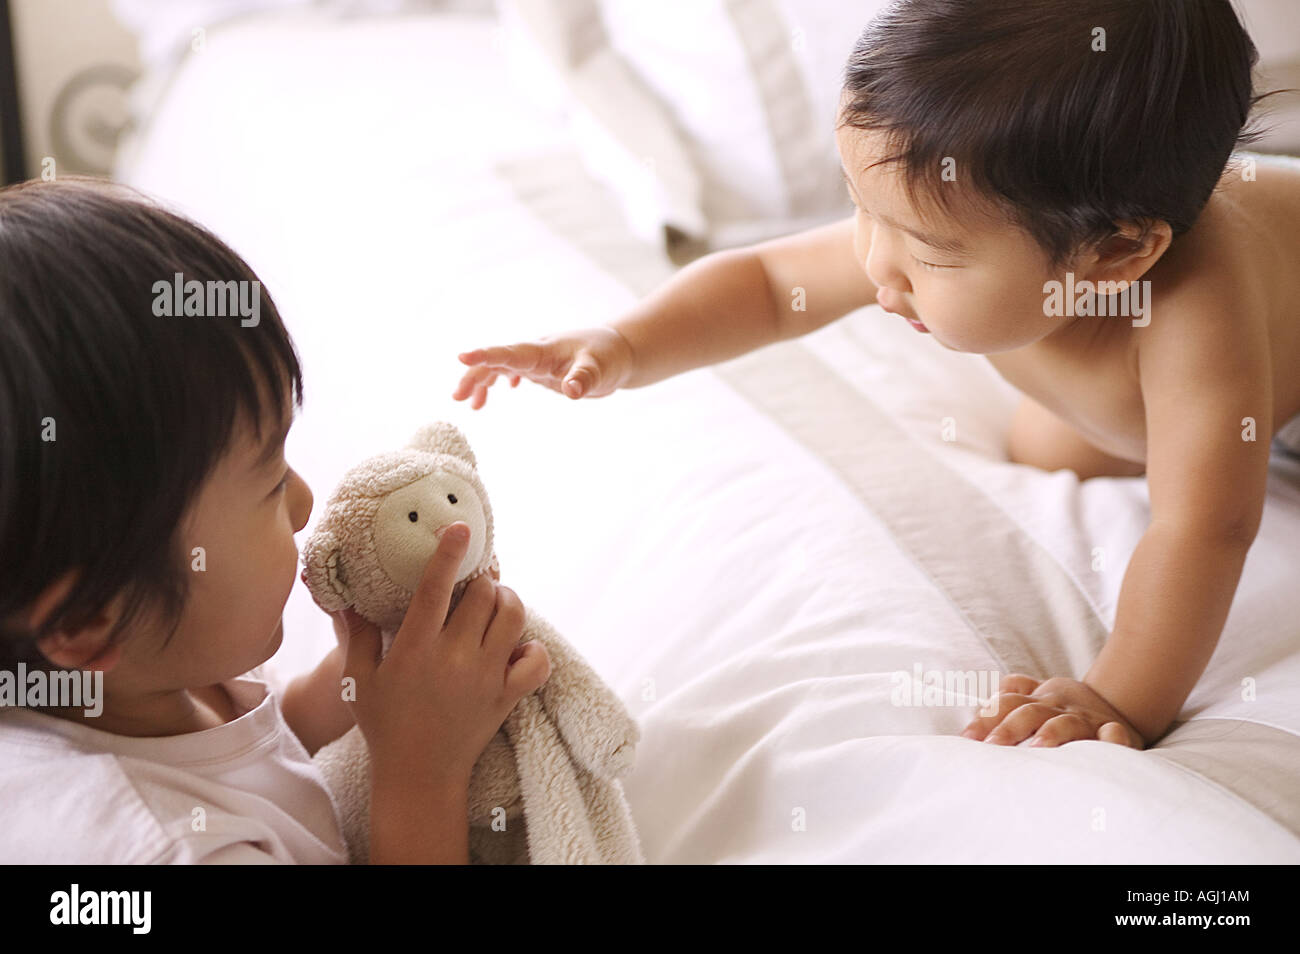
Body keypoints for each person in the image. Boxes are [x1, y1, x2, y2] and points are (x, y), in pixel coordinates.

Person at [453, 0, 1300, 750]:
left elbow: (1205, 528)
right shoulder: (948, 224)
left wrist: (1118, 697)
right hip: (1109, 392)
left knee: (1177, 460)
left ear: (1115, 254)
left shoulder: (1197, 317)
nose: (873, 264)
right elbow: (766, 288)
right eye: (861, 208)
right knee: (1049, 448)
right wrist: (626, 344)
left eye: (928, 253)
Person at [0, 178, 549, 863]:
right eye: (267, 480)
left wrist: (359, 678)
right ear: (87, 620)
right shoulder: (166, 850)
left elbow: (254, 750)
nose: (304, 502)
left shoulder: (147, 673)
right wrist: (422, 771)